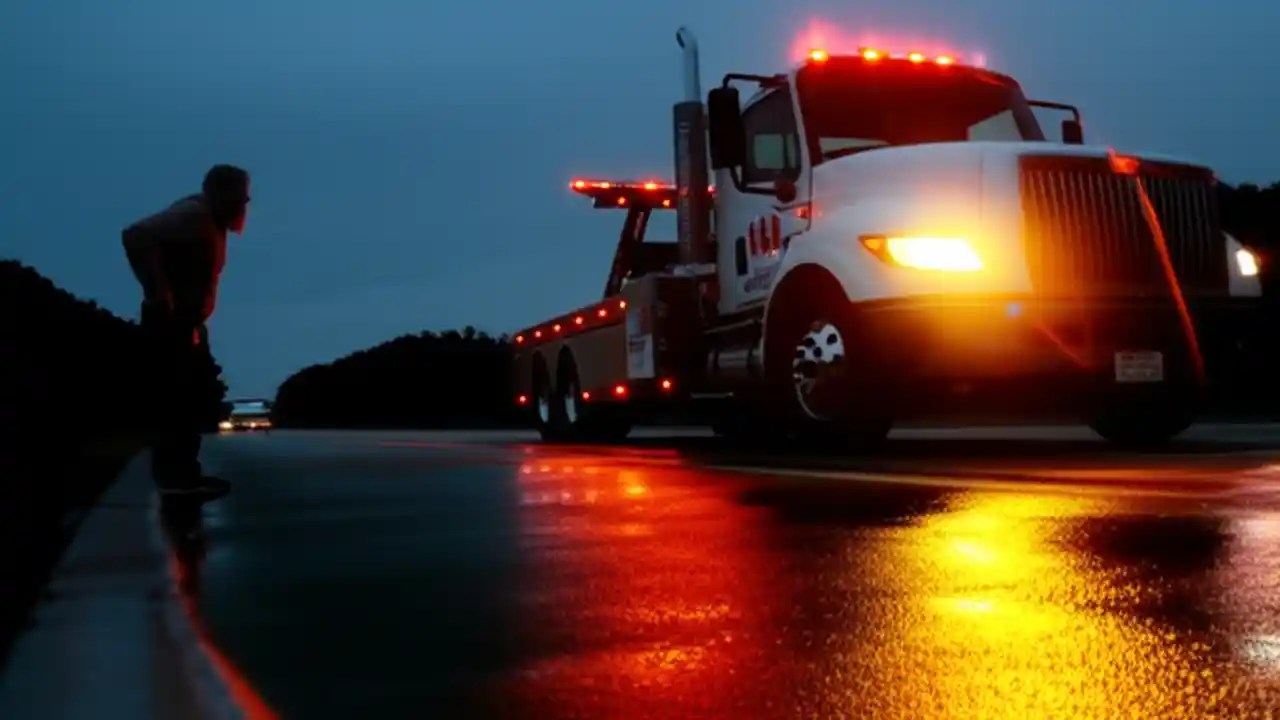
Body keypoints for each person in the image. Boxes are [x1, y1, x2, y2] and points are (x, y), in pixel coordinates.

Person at [123, 164, 250, 498]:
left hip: (186, 321)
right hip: (172, 321)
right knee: (177, 397)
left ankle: (182, 473)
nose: (245, 203)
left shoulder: (210, 220)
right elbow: (136, 234)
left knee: (189, 396)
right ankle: (175, 477)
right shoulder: (194, 214)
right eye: (241, 196)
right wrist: (158, 291)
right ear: (222, 193)